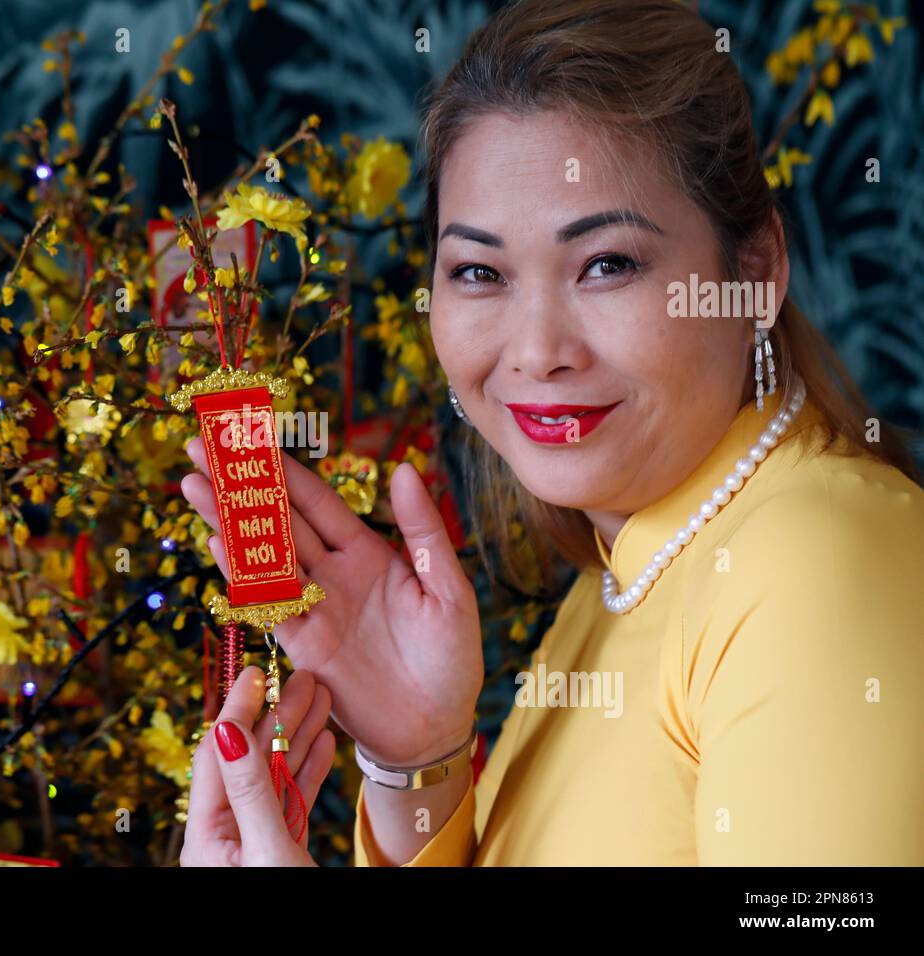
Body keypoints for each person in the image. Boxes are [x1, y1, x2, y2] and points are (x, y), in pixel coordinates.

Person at [178, 0, 924, 867]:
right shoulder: (628, 569)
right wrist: (420, 763)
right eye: (480, 271)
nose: (537, 352)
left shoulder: (811, 558)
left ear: (753, 270)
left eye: (607, 264)